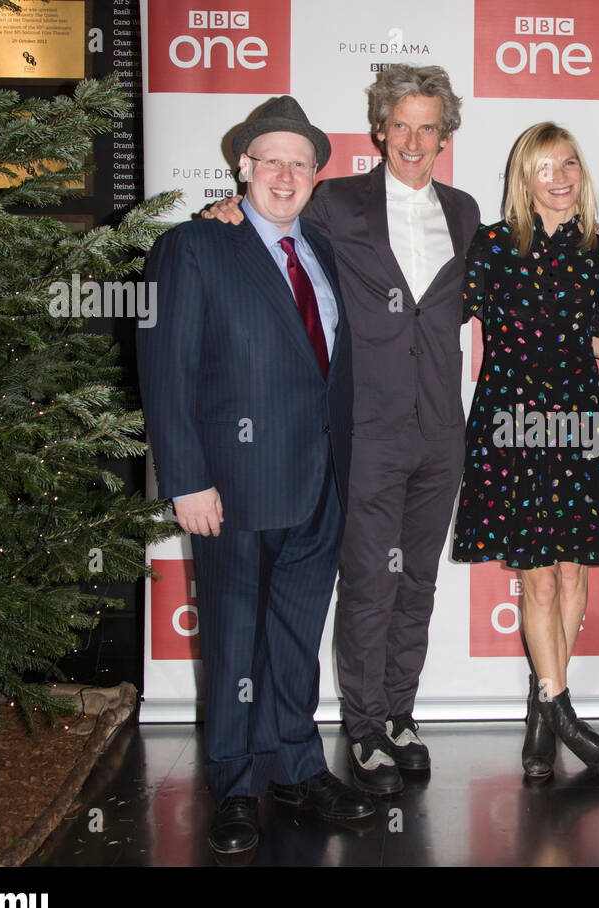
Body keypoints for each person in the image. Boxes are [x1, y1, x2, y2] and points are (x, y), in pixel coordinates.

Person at [204, 66, 481, 795]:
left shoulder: (464, 211)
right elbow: (273, 235)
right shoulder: (337, 202)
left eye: (429, 126)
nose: (414, 139)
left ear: (444, 135)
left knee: (416, 582)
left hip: (440, 433)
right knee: (368, 583)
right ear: (380, 130)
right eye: (402, 124)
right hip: (366, 429)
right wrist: (224, 210)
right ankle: (361, 725)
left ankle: (399, 714)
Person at [139, 96, 374, 861]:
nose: (284, 173)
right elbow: (165, 371)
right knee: (236, 642)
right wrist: (185, 479)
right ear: (241, 166)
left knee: (294, 639)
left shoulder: (325, 254)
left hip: (321, 487)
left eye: (299, 162)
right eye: (268, 159)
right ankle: (237, 785)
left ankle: (298, 767)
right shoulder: (196, 247)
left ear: (315, 178)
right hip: (234, 489)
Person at [454, 122, 599, 779]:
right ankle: (565, 716)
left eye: (570, 164)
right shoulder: (492, 247)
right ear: (523, 181)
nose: (560, 178)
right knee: (538, 576)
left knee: (575, 572)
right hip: (514, 424)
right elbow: (433, 303)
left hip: (580, 421)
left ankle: (541, 706)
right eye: (544, 168)